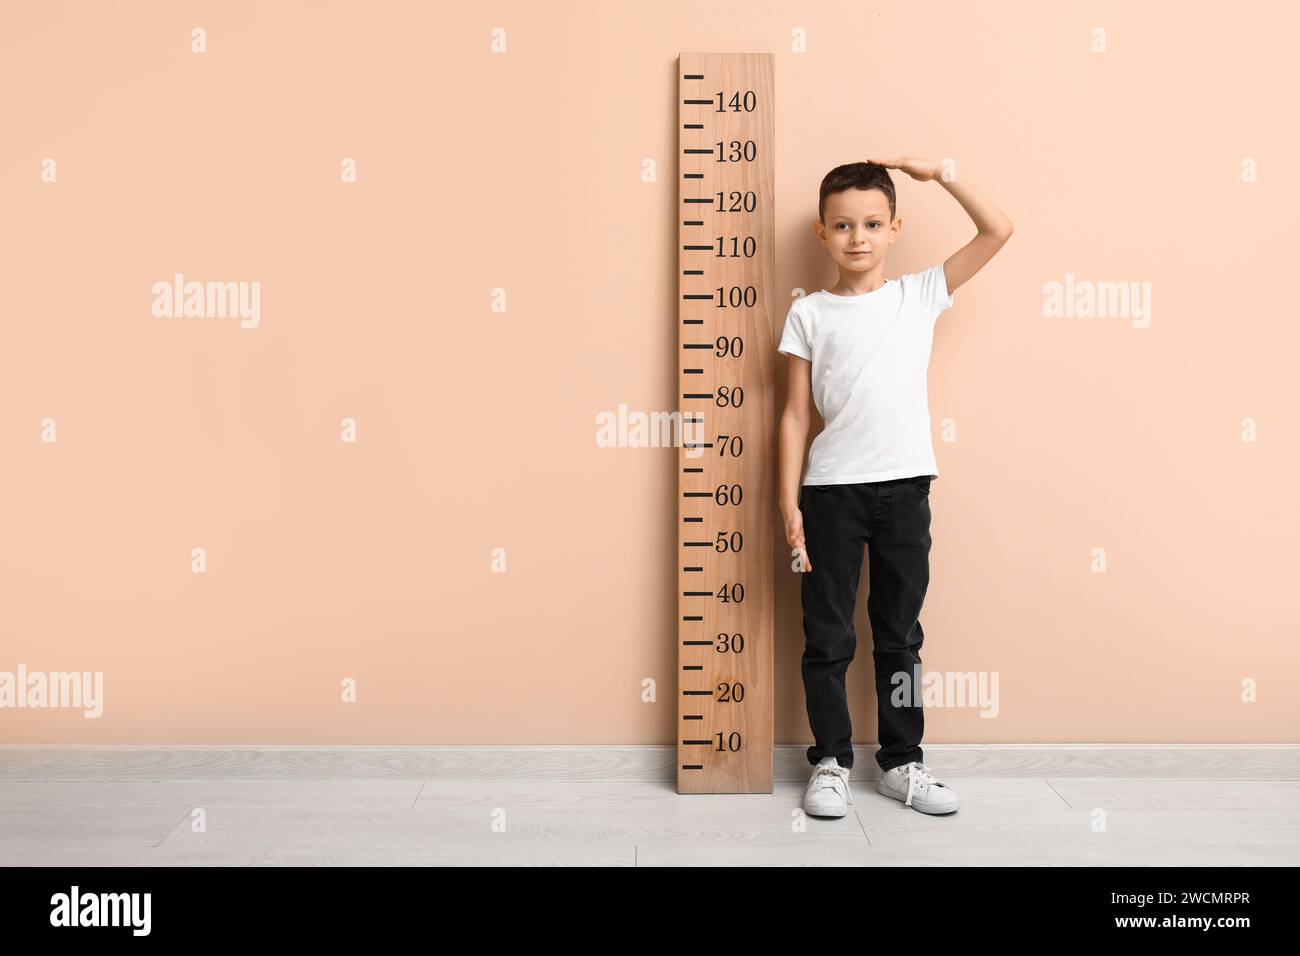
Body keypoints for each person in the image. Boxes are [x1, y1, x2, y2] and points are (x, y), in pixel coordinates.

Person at [777, 158, 1013, 818]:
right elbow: (795, 413)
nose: (858, 236)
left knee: (899, 635)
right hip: (830, 495)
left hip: (904, 491)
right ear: (822, 234)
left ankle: (903, 764)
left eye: (872, 224)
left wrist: (943, 172)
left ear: (894, 229)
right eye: (843, 225)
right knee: (827, 637)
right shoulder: (809, 315)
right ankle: (830, 761)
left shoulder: (920, 294)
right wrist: (786, 499)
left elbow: (999, 229)